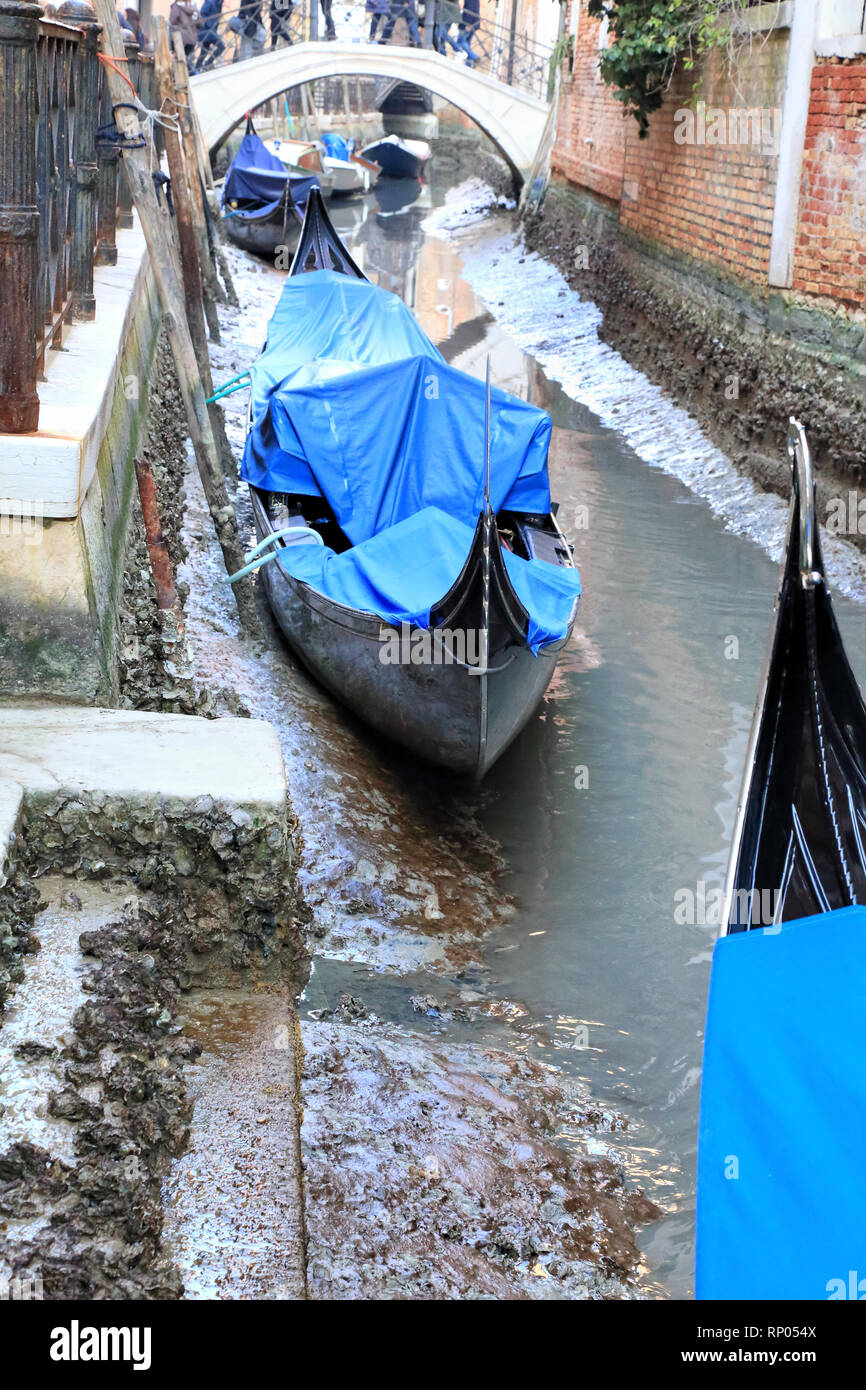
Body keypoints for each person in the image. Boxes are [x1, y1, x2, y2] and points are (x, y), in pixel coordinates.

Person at [169, 1, 202, 67]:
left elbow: (172, 21)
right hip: (192, 39)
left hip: (180, 39)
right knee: (185, 59)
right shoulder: (194, 8)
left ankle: (189, 73)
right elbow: (200, 23)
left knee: (178, 59)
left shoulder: (176, 6)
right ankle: (192, 72)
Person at [197, 0, 225, 68]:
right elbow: (202, 13)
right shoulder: (210, 2)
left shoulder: (219, 3)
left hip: (210, 31)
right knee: (221, 46)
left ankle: (196, 69)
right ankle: (207, 64)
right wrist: (210, 25)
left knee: (204, 52)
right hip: (207, 31)